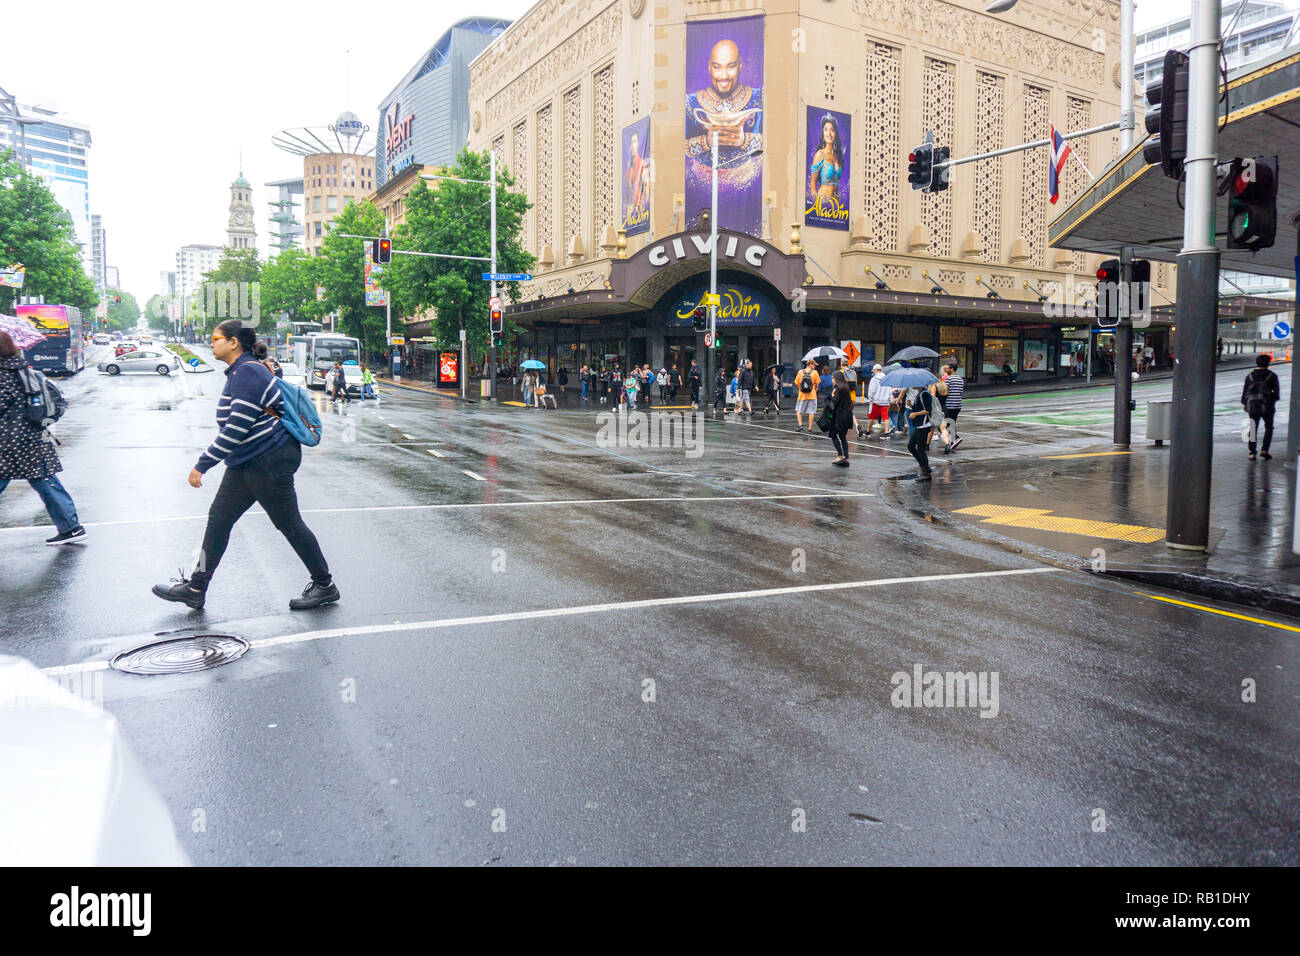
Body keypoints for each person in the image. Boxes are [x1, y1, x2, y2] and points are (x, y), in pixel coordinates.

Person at [152, 320, 338, 611]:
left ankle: (325, 584)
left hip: (268, 459)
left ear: (234, 343)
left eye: (216, 339)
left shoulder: (248, 372)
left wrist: (202, 464)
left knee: (288, 523)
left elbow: (236, 427)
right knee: (219, 522)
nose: (212, 343)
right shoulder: (240, 371)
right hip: (247, 460)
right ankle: (196, 587)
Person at [0, 331, 87, 545]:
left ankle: (71, 528)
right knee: (46, 482)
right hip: (36, 437)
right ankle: (71, 528)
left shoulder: (2, 374)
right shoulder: (25, 370)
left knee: (44, 483)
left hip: (7, 442)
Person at [1242, 353, 1280, 461]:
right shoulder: (1272, 376)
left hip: (1253, 405)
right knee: (1269, 427)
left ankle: (1252, 452)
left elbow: (1245, 391)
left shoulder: (1249, 376)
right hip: (1267, 406)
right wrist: (1271, 400)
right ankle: (1265, 450)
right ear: (1268, 364)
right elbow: (1276, 394)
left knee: (1253, 428)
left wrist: (1245, 404)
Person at [907, 382, 937, 482]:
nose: (912, 384)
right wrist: (911, 406)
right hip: (919, 425)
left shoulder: (925, 394)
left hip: (924, 425)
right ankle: (925, 467)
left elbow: (928, 410)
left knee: (920, 449)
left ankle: (926, 473)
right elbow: (919, 408)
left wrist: (915, 413)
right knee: (911, 446)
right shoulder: (919, 393)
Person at [827, 370, 854, 467]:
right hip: (847, 416)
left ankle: (840, 455)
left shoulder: (839, 389)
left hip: (839, 417)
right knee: (842, 437)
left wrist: (832, 395)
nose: (832, 380)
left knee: (833, 435)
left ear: (836, 379)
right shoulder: (845, 387)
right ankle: (846, 457)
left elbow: (834, 402)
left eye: (833, 378)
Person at [940, 363, 964, 452]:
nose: (947, 369)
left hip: (950, 404)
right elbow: (961, 392)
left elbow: (944, 391)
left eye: (948, 368)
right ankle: (952, 441)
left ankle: (955, 439)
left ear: (952, 369)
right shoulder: (960, 379)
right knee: (952, 422)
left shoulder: (949, 379)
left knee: (947, 423)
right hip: (958, 404)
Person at [865, 364, 891, 438]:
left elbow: (871, 391)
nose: (873, 372)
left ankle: (868, 432)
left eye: (873, 370)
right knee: (886, 417)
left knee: (871, 417)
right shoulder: (886, 378)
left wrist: (871, 399)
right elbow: (889, 390)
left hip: (876, 401)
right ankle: (886, 433)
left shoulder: (874, 379)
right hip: (885, 401)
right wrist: (888, 400)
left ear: (876, 370)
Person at [794, 360, 820, 432]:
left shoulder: (800, 372)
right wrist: (814, 390)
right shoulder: (815, 372)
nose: (815, 366)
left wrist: (801, 389)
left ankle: (800, 425)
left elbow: (796, 383)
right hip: (812, 396)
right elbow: (818, 384)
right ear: (810, 364)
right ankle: (810, 428)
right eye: (814, 365)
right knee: (811, 412)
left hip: (802, 395)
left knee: (798, 411)